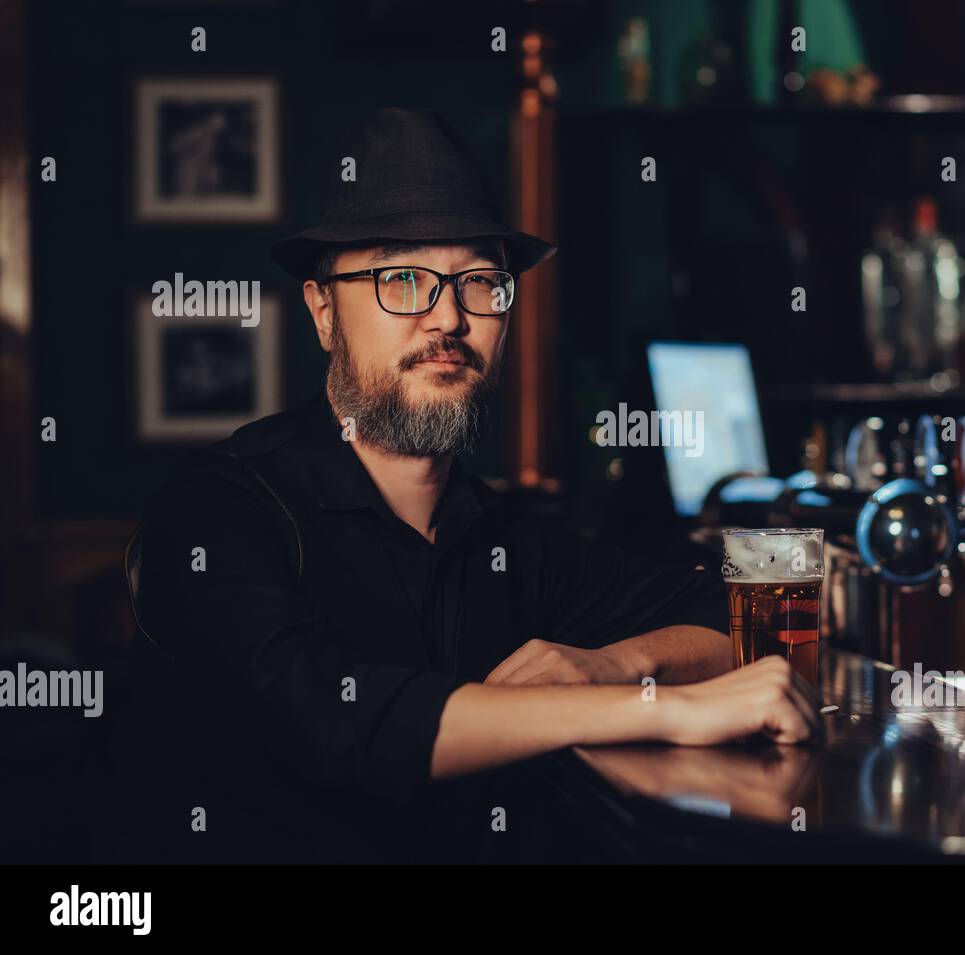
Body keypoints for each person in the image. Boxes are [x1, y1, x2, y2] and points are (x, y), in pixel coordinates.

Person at [122, 108, 818, 862]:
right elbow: (332, 719)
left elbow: (731, 609)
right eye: (401, 278)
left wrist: (613, 664)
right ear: (324, 312)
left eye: (481, 282)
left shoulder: (503, 539)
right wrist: (662, 710)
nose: (448, 317)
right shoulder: (215, 513)